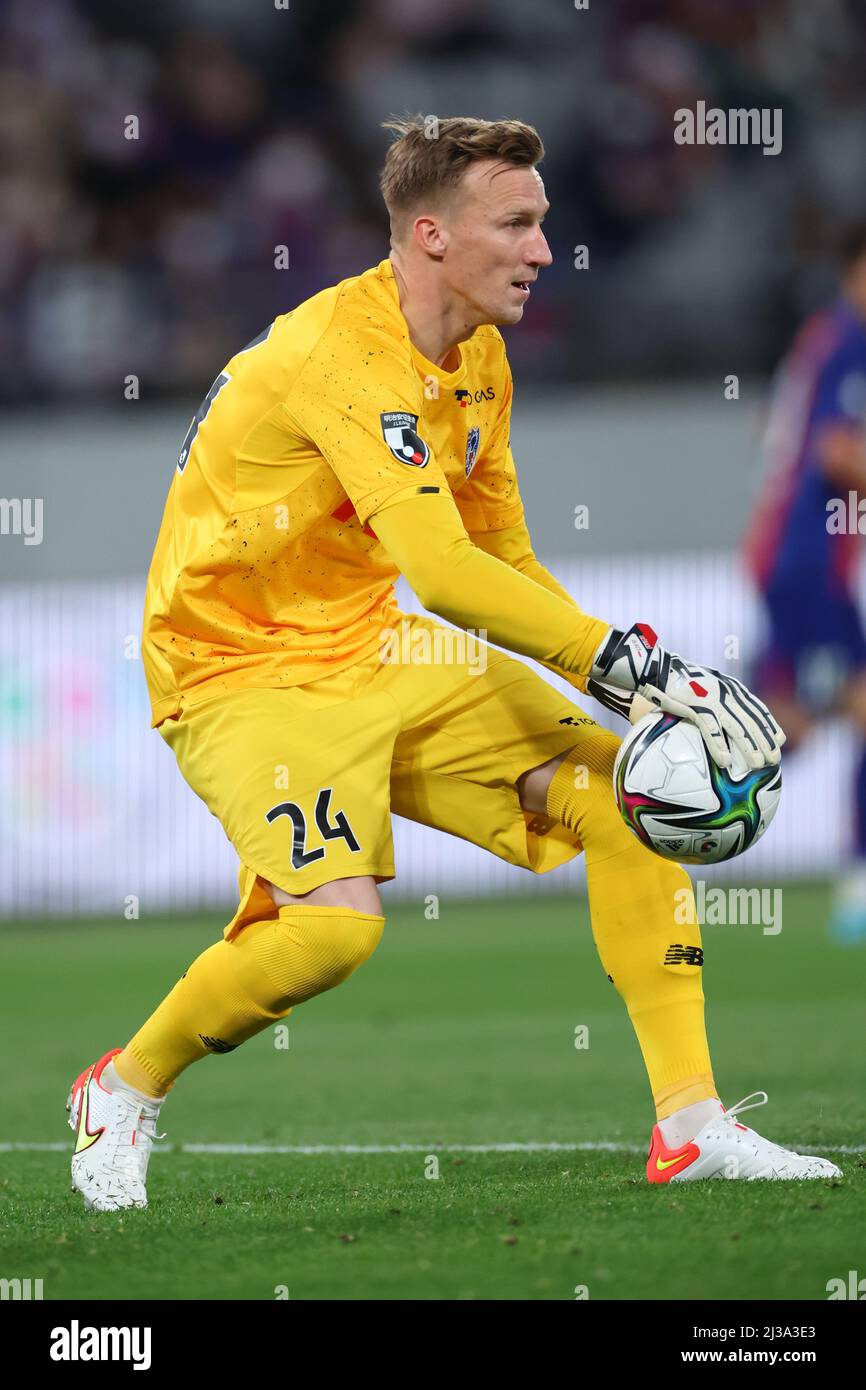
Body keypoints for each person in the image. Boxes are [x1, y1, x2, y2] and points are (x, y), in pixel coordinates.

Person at [67, 115, 836, 1213]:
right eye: (515, 224)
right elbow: (440, 571)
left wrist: (626, 680)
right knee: (332, 929)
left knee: (620, 802)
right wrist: (632, 670)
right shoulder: (338, 353)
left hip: (378, 640)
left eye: (542, 223)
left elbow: (499, 557)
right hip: (238, 666)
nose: (541, 249)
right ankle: (123, 1085)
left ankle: (691, 1125)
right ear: (429, 234)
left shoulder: (475, 358)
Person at [743, 223, 866, 944]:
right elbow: (835, 448)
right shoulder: (850, 340)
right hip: (807, 563)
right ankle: (857, 886)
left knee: (786, 725)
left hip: (793, 557)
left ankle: (652, 803)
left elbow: (778, 431)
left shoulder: (824, 339)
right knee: (838, 710)